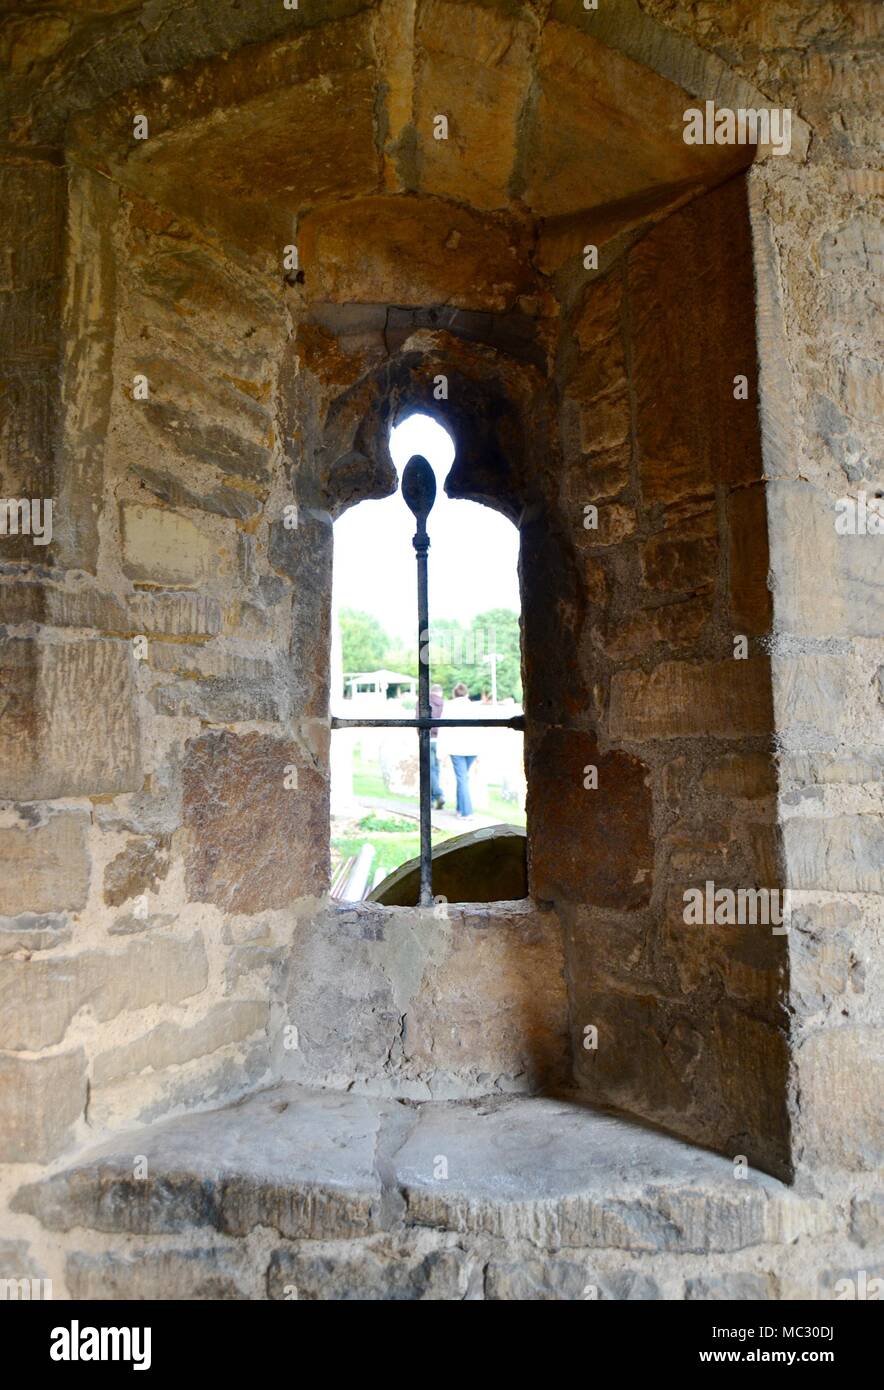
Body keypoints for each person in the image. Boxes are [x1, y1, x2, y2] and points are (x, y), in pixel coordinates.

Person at [441, 681, 482, 819]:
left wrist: (442, 752)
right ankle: (460, 808)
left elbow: (444, 728)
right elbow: (480, 728)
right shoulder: (474, 707)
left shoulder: (450, 707)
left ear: (454, 694)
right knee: (463, 779)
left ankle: (466, 812)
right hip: (472, 748)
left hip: (456, 748)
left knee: (462, 779)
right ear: (467, 693)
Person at [429, 683, 445, 810]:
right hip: (440, 739)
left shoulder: (423, 701)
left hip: (427, 738)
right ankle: (432, 798)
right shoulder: (444, 704)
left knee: (429, 769)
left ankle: (437, 795)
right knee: (436, 770)